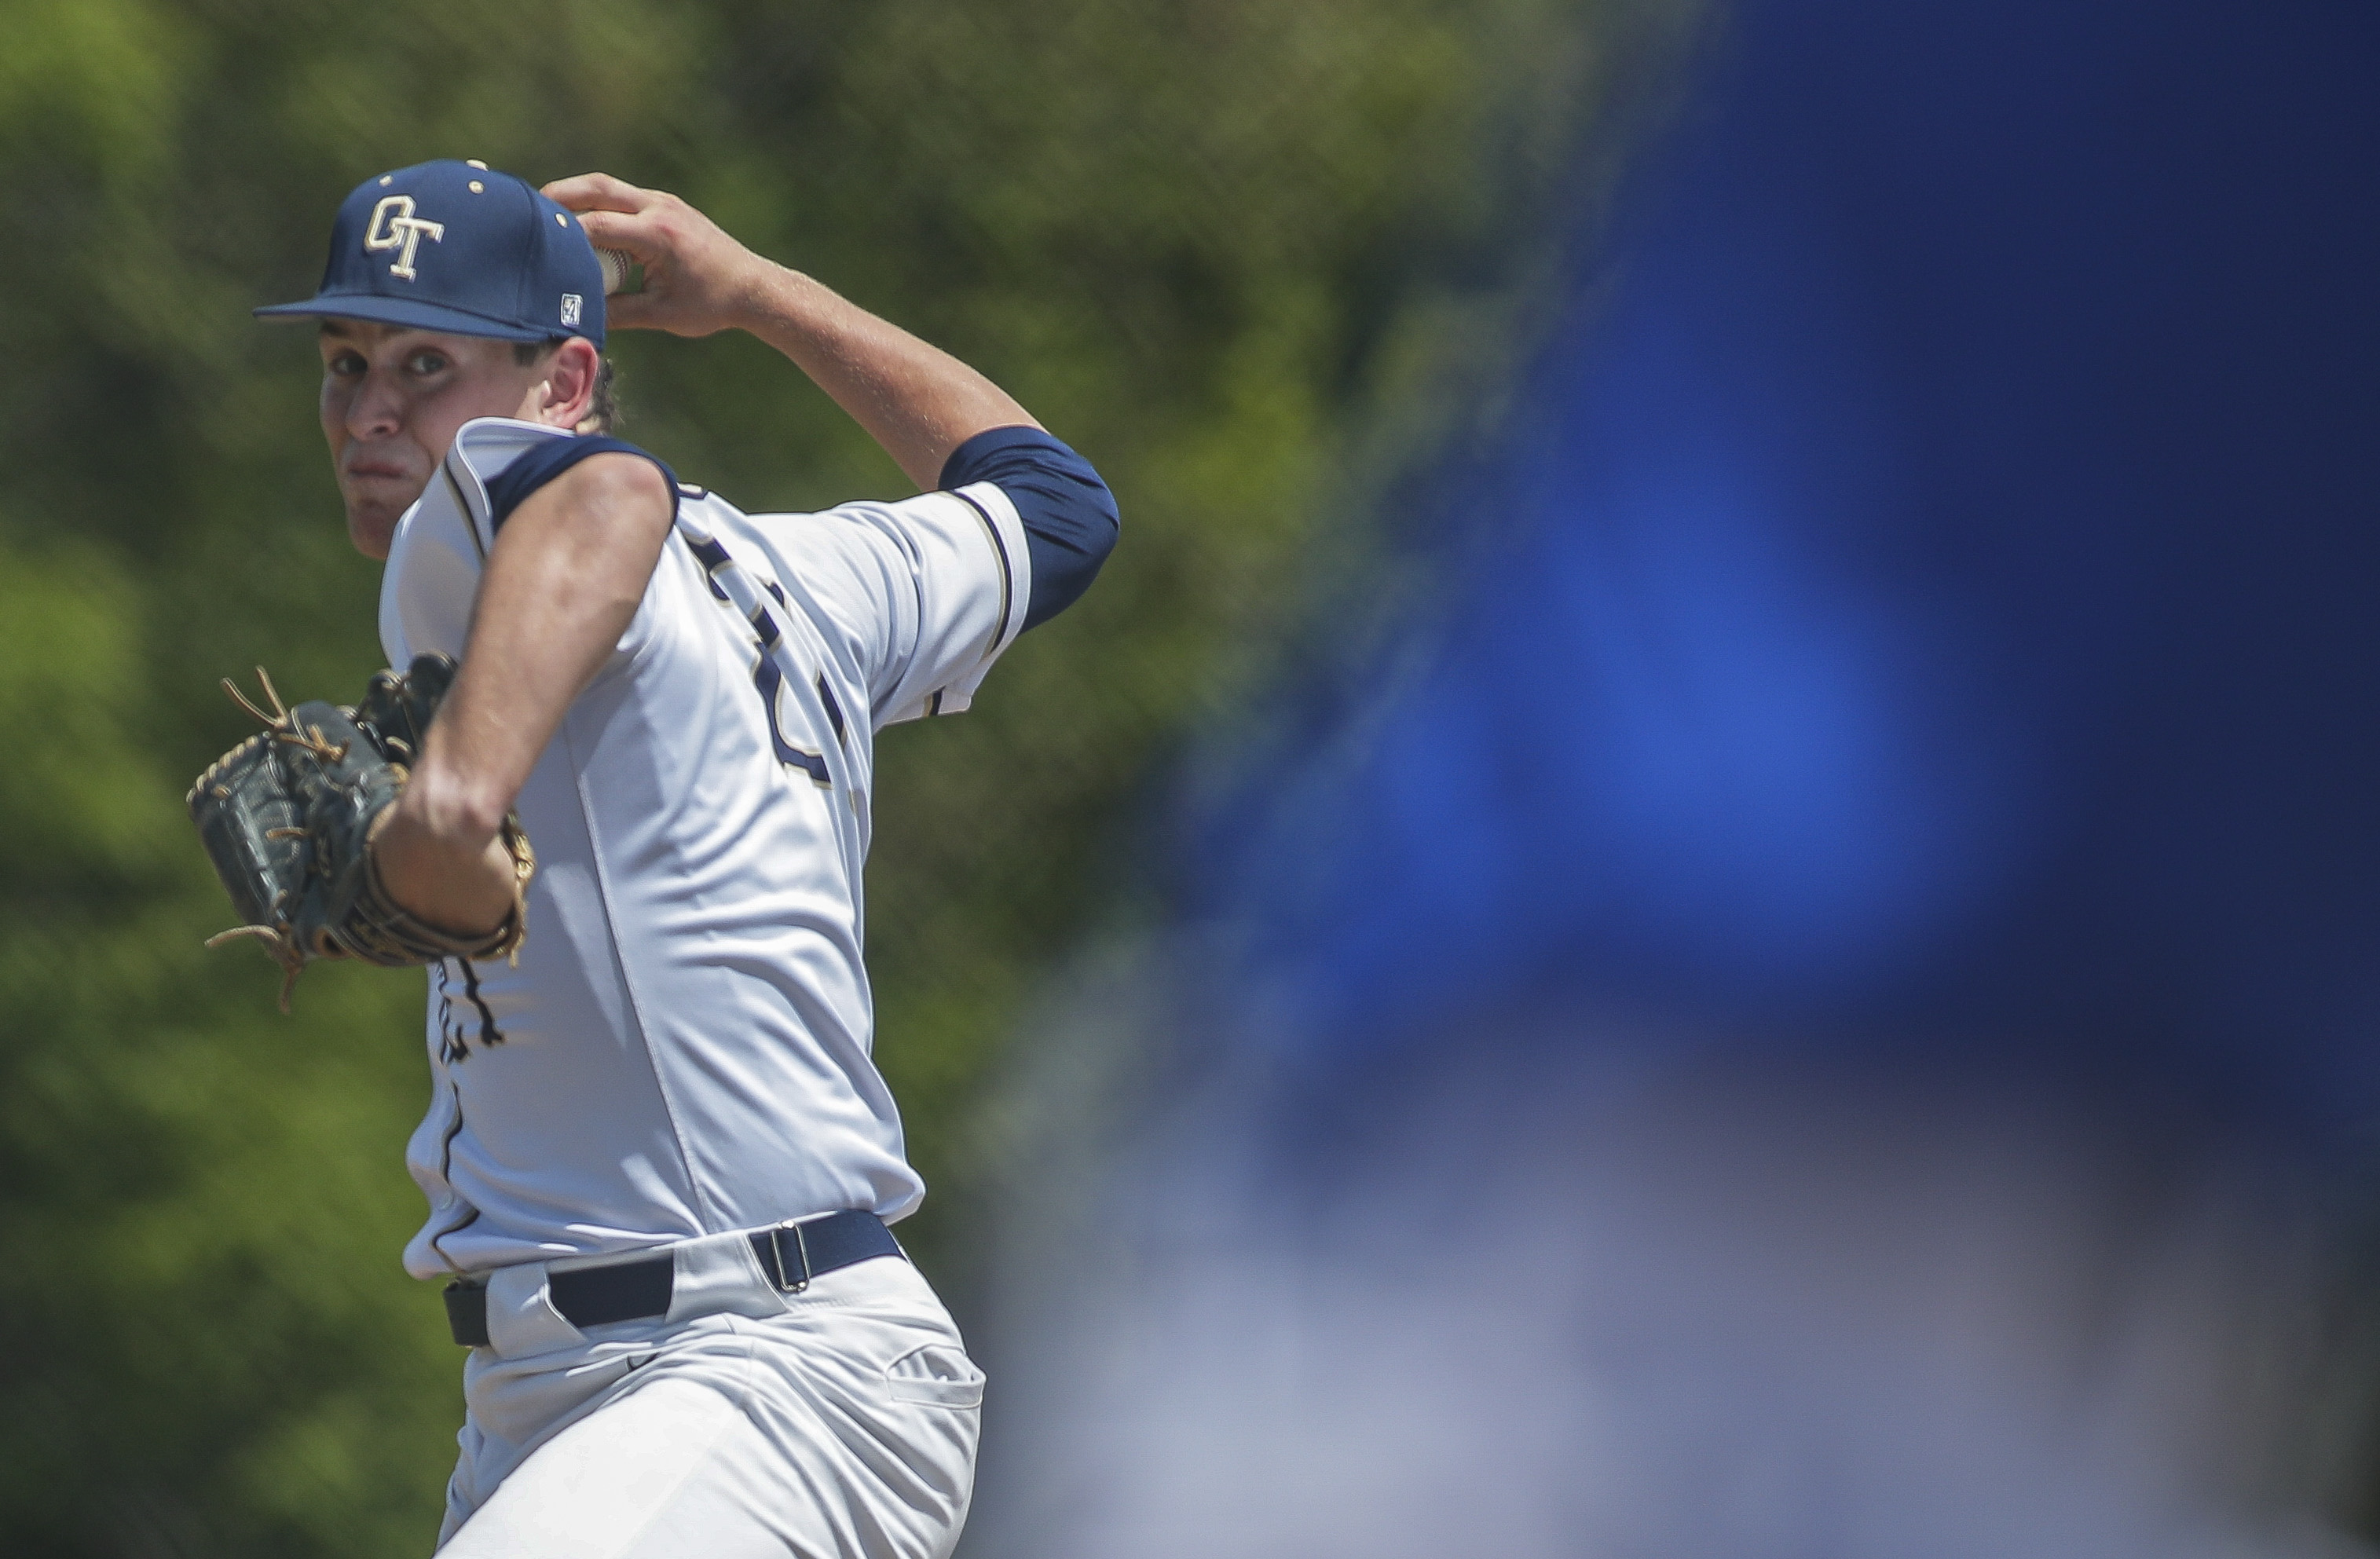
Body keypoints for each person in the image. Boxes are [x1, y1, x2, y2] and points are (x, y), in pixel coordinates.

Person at [253, 157, 1117, 1557]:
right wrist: (764, 299)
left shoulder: (505, 505)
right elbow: (1054, 507)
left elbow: (600, 499)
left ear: (566, 378)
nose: (370, 412)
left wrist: (454, 805)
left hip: (758, 1363)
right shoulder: (810, 581)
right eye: (345, 363)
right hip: (578, 1396)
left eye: (426, 361)